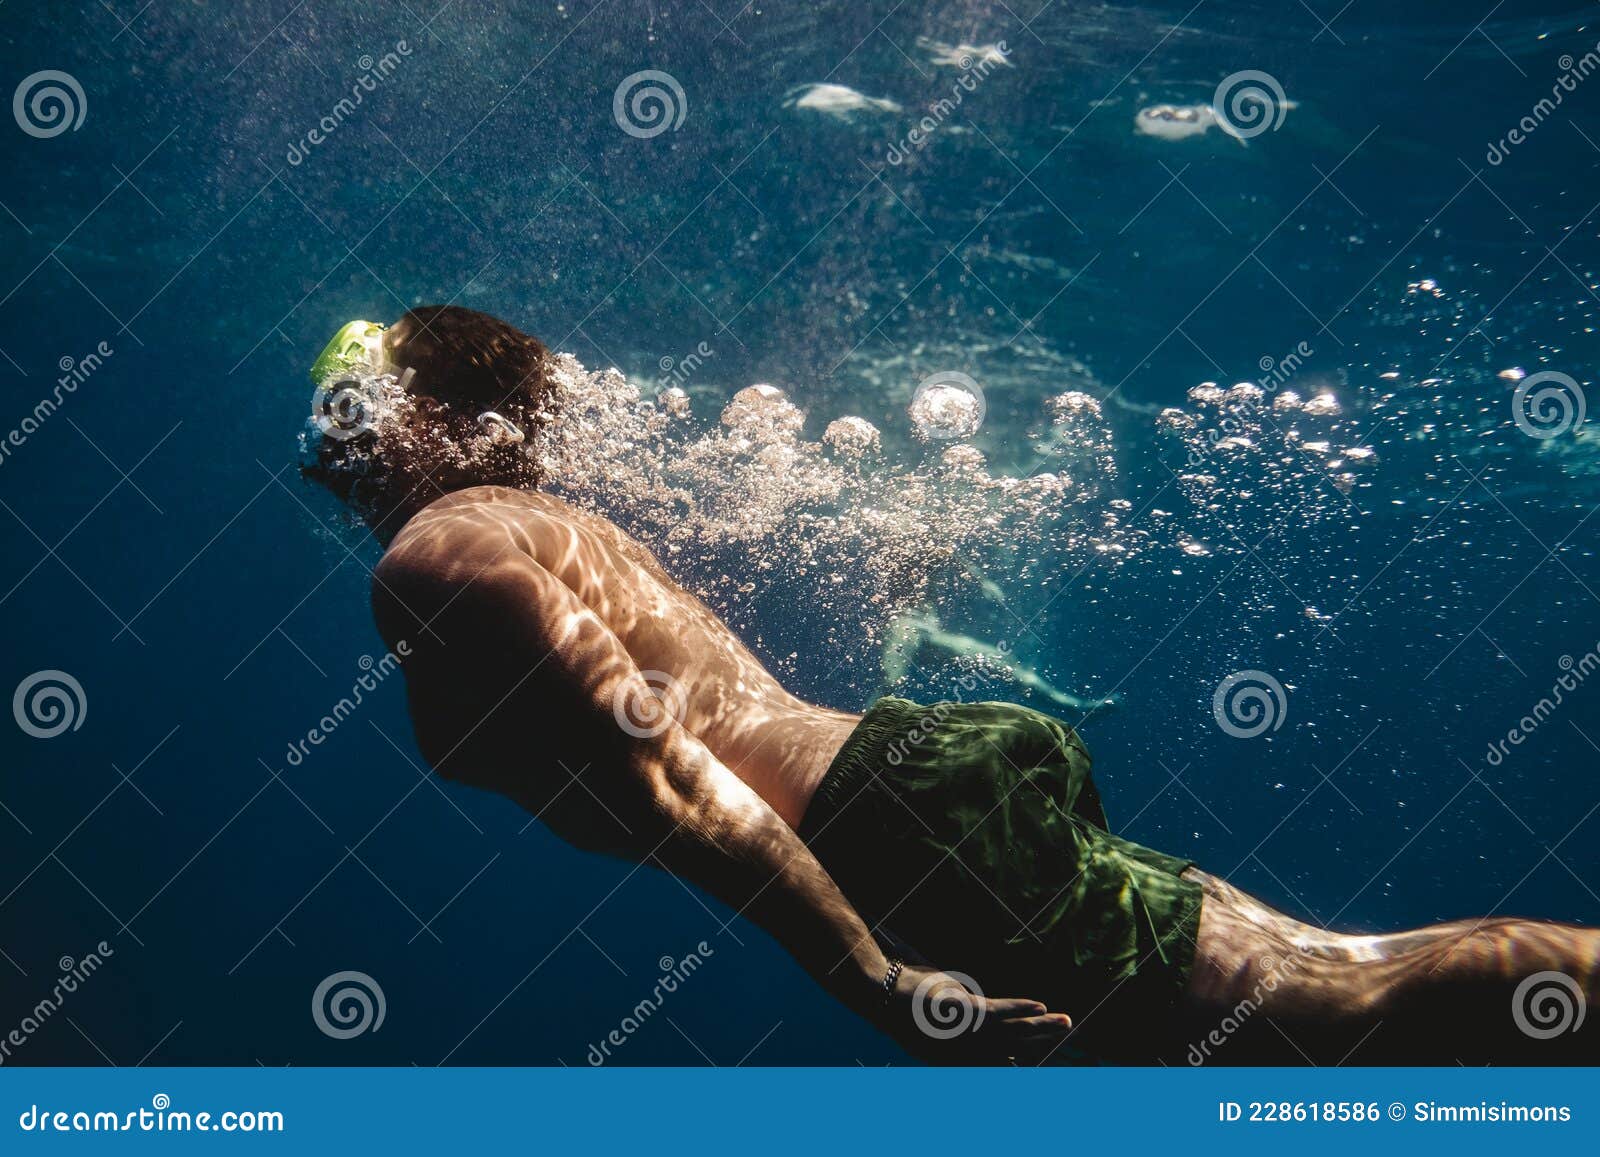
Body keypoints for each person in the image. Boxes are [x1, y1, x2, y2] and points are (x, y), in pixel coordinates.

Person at [309, 305, 1600, 1064]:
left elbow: (681, 789)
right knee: (1311, 982)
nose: (327, 436)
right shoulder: (526, 520)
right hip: (905, 795)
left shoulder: (445, 556)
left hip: (892, 824)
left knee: (1335, 1009)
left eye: (352, 402)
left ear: (428, 414)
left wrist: (875, 981)